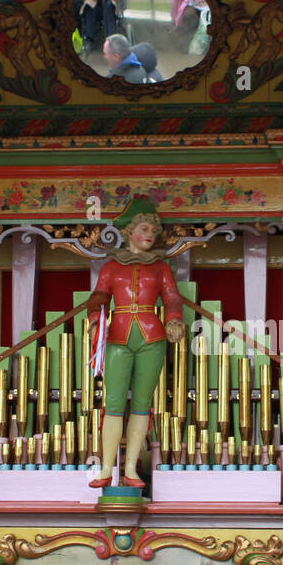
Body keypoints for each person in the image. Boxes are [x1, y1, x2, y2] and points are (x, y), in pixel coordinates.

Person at [85, 196, 186, 487]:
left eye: (152, 231)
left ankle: (130, 469)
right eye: (143, 229)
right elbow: (100, 296)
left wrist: (174, 318)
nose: (149, 235)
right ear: (129, 232)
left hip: (152, 336)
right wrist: (94, 318)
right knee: (114, 402)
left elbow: (171, 297)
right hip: (117, 336)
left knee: (142, 403)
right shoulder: (111, 267)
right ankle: (106, 468)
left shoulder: (160, 267)